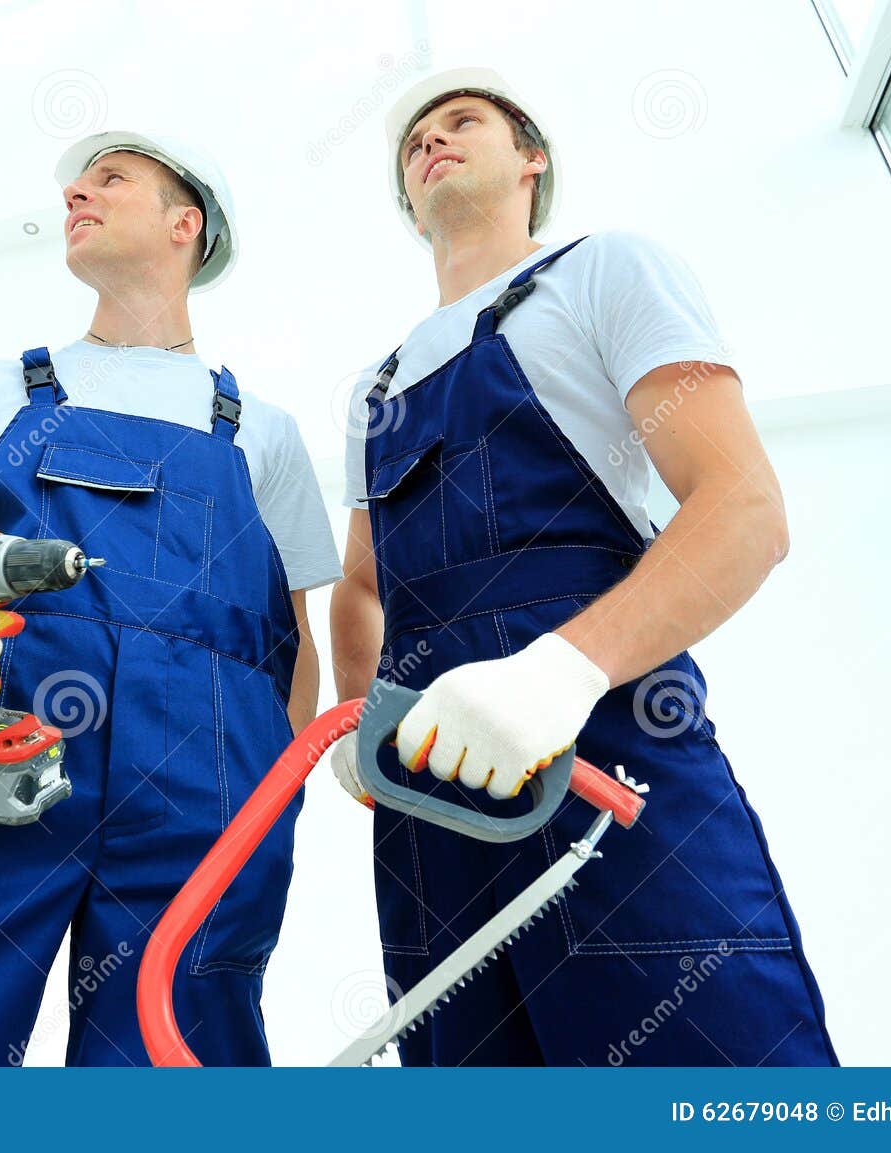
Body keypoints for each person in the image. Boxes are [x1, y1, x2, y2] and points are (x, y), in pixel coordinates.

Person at [0, 131, 341, 1066]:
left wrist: (269, 808)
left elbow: (291, 646)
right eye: (77, 181)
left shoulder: (258, 433)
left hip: (205, 807)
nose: (76, 191)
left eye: (110, 178)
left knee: (176, 1063)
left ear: (182, 224)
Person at [328, 68, 837, 1066]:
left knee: (705, 1056)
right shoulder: (377, 384)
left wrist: (562, 670)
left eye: (461, 120)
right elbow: (360, 582)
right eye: (413, 139)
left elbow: (742, 507)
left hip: (602, 740)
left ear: (531, 157)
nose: (431, 139)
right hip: (429, 788)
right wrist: (360, 724)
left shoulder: (603, 271)